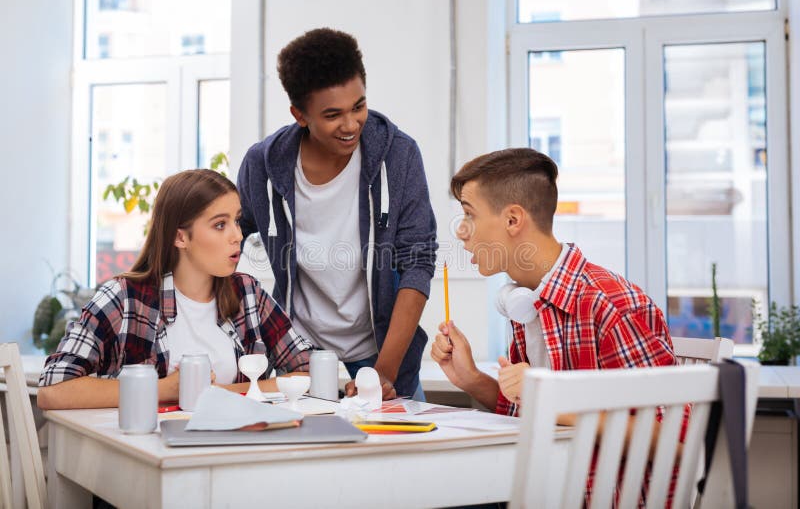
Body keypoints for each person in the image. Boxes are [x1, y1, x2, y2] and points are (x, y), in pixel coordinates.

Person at [431, 148, 683, 505]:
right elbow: (533, 410)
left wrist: (552, 399)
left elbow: (676, 443)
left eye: (470, 215)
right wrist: (471, 379)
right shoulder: (527, 303)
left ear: (513, 220)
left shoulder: (610, 305)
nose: (462, 233)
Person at [237, 28, 437, 400]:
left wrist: (383, 373)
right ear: (300, 115)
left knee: (399, 457)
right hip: (301, 357)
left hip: (384, 355)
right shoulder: (263, 165)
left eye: (358, 106)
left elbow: (418, 262)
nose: (350, 125)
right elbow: (229, 240)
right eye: (332, 115)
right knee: (309, 455)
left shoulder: (399, 156)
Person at [38, 169, 313, 409]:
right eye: (220, 225)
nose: (237, 235)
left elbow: (306, 371)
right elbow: (54, 390)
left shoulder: (249, 294)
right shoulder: (125, 298)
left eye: (237, 221)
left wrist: (219, 394)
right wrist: (165, 390)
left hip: (237, 450)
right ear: (180, 237)